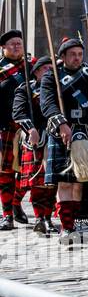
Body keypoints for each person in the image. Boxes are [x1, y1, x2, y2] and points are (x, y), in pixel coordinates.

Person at [39, 36, 88, 246]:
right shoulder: (52, 77)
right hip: (62, 133)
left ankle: (73, 224)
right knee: (65, 183)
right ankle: (66, 228)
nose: (77, 58)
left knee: (79, 184)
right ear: (63, 56)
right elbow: (47, 103)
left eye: (79, 54)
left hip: (86, 132)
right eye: (72, 54)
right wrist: (61, 123)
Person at [13, 56, 55, 234]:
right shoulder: (26, 89)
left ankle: (47, 217)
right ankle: (39, 218)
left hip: (55, 136)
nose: (49, 72)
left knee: (53, 183)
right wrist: (30, 129)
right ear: (36, 72)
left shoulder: (58, 88)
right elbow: (18, 112)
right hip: (35, 138)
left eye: (51, 68)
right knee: (38, 183)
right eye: (45, 68)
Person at [0, 28, 28, 230]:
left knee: (30, 172)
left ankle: (17, 202)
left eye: (19, 43)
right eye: (12, 44)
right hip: (5, 126)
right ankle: (7, 214)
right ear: (3, 48)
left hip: (28, 126)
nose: (16, 46)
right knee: (6, 173)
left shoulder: (32, 66)